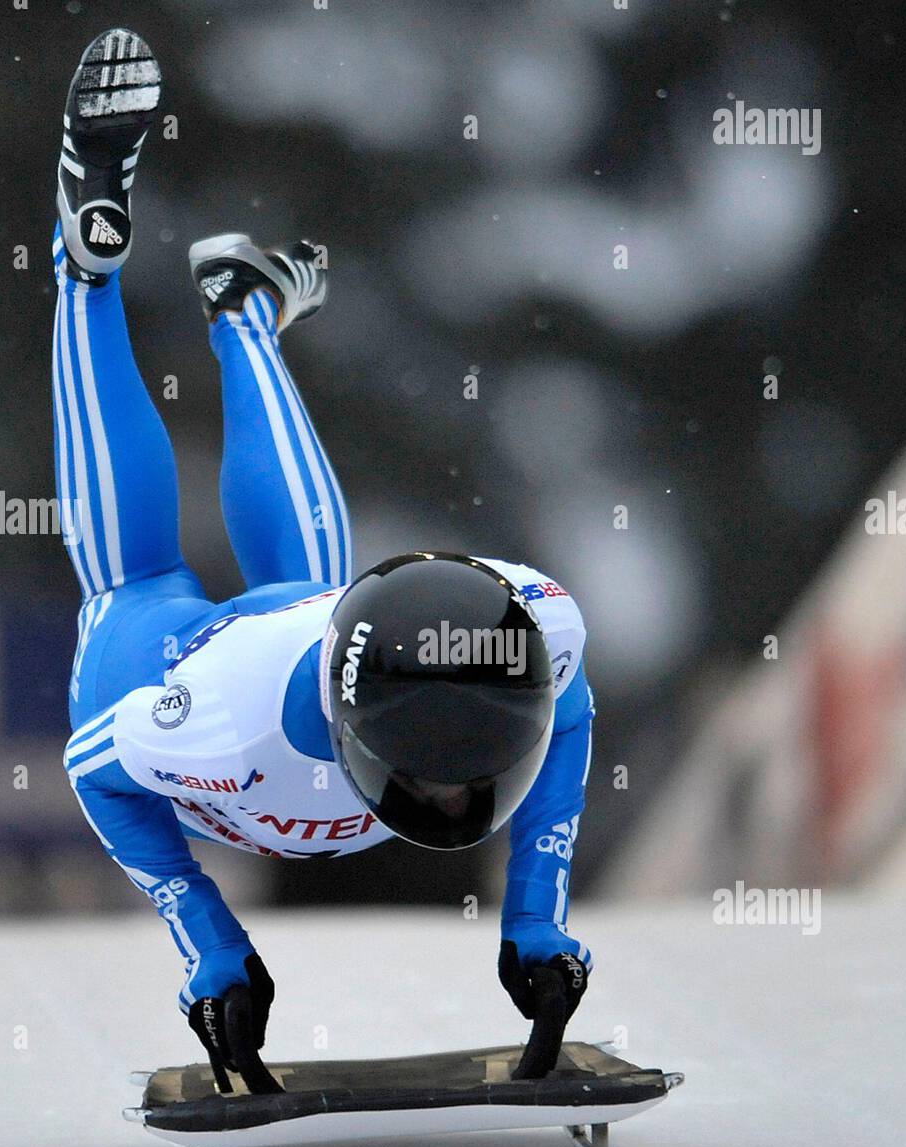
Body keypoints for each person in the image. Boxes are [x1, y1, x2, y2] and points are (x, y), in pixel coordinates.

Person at [54, 30, 594, 1091]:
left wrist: (533, 920)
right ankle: (89, 266)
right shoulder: (210, 717)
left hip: (312, 626)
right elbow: (92, 765)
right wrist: (208, 939)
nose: (451, 809)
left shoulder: (533, 623)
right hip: (166, 657)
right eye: (443, 788)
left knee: (318, 581)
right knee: (133, 579)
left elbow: (564, 710)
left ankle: (245, 314)